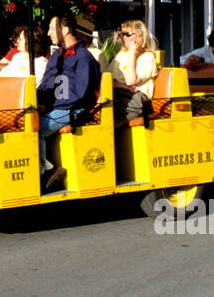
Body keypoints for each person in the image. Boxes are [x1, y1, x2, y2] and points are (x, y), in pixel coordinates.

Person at [36, 15, 101, 192]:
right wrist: (36, 100)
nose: (48, 33)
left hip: (75, 108)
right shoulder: (57, 55)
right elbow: (47, 83)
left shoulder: (83, 58)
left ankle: (47, 171)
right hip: (57, 104)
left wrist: (48, 106)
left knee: (36, 127)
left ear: (65, 30)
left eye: (51, 28)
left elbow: (78, 94)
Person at [111, 19, 159, 123]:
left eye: (128, 34)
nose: (124, 37)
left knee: (107, 120)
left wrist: (132, 53)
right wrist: (124, 86)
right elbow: (109, 81)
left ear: (140, 36)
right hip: (118, 95)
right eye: (123, 34)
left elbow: (131, 81)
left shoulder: (147, 57)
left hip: (136, 101)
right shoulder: (121, 55)